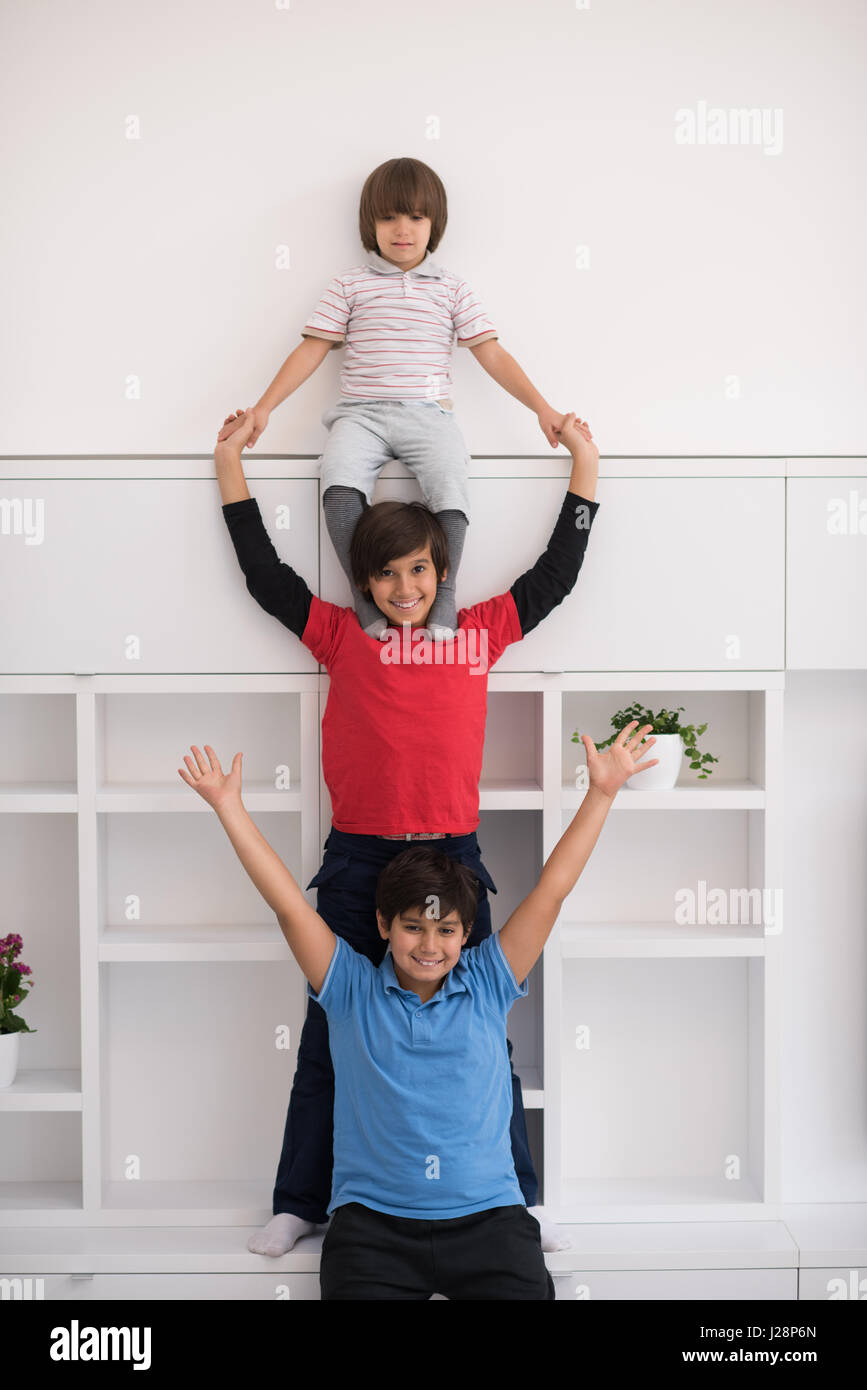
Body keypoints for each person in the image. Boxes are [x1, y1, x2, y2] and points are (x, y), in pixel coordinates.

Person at [214, 407, 601, 1255]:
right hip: (359, 857)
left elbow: (556, 575)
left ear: (441, 571)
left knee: (480, 1036)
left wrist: (584, 468)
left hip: (452, 854)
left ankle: (515, 1200)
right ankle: (298, 1199)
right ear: (364, 581)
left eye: (418, 572)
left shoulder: (478, 633)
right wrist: (229, 468)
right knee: (330, 1033)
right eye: (384, 575)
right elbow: (264, 576)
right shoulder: (339, 635)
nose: (403, 589)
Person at [177, 719, 659, 1298]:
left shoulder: (487, 981)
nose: (429, 946)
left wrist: (602, 793)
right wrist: (228, 806)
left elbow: (551, 891)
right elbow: (287, 905)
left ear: (465, 933)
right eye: (412, 928)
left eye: (445, 930)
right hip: (373, 1233)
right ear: (383, 926)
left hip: (491, 1224)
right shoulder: (349, 988)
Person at [216, 155, 579, 637]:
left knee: (451, 480)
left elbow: (491, 355)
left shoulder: (452, 290)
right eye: (388, 217)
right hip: (360, 417)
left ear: (435, 223)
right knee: (338, 484)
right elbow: (312, 349)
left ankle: (443, 597)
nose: (401, 229)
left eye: (415, 216)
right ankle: (366, 597)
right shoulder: (349, 285)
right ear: (370, 223)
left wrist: (543, 409)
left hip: (429, 416)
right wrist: (263, 409)